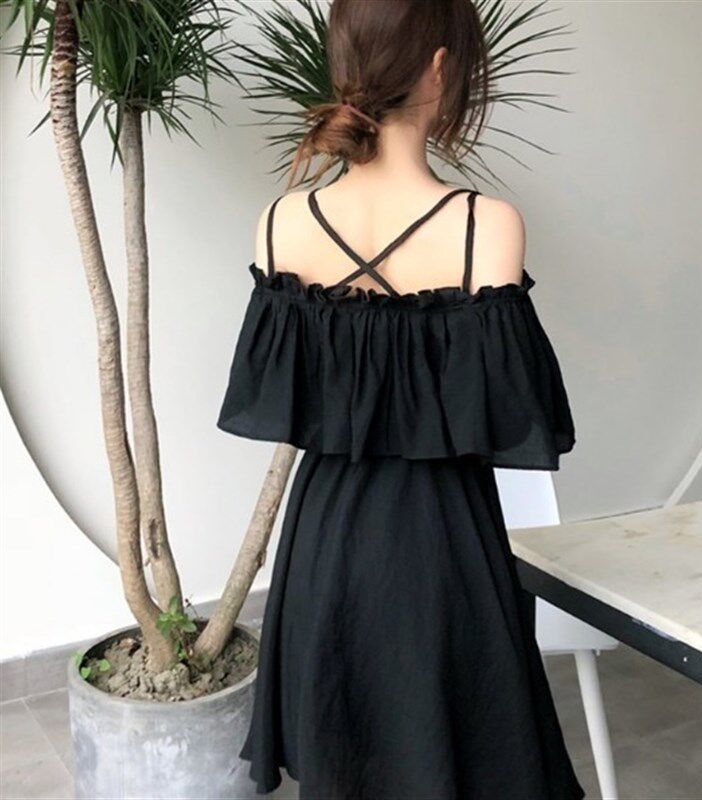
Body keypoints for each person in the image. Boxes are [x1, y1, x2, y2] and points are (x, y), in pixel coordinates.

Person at [217, 0, 583, 797]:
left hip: (323, 543)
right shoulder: (487, 227)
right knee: (462, 757)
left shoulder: (281, 223)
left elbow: (285, 403)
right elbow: (510, 414)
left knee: (345, 762)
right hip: (444, 542)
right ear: (442, 69)